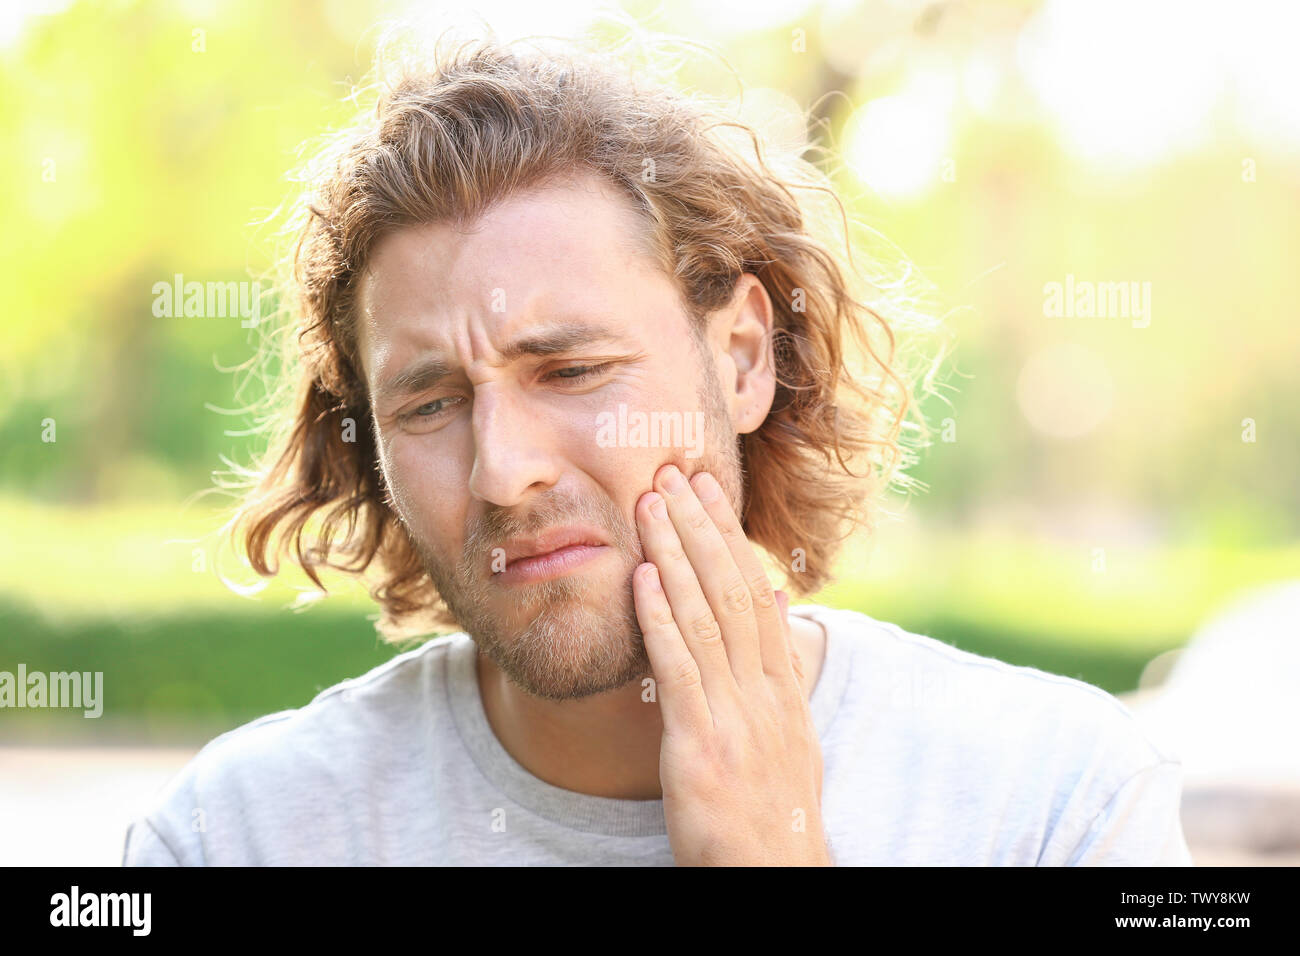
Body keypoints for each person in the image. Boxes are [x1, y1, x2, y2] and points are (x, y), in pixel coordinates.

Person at [123, 33, 1192, 866]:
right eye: (432, 403)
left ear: (739, 359)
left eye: (572, 371)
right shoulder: (237, 837)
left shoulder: (1060, 800)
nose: (505, 469)